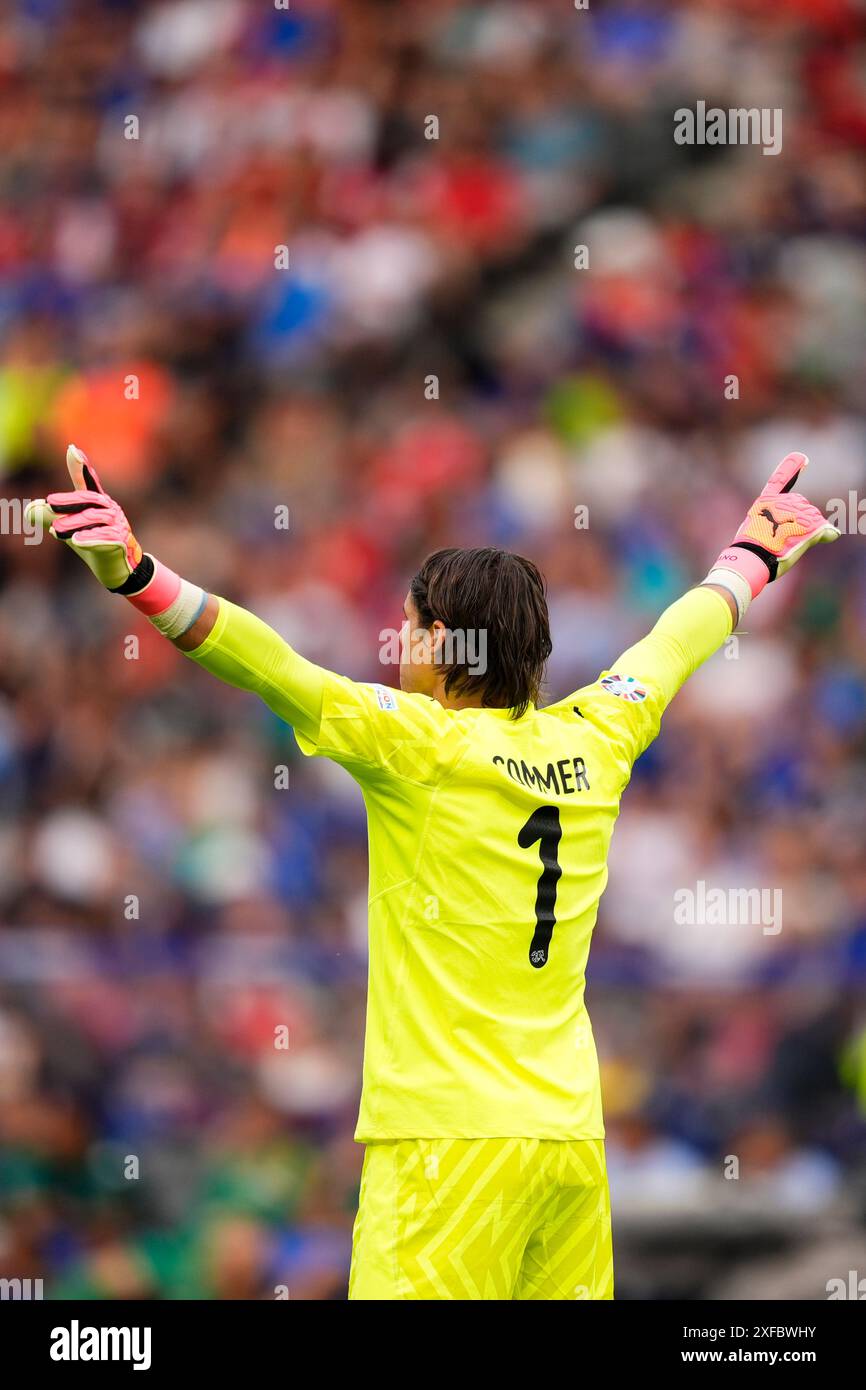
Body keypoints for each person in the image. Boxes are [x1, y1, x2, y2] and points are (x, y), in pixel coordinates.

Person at [26, 446, 839, 1300]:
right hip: (567, 1142)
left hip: (446, 1147)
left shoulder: (419, 745)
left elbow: (268, 664)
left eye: (408, 626)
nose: (399, 643)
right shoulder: (598, 734)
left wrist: (136, 573)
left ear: (445, 641)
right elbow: (674, 642)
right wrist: (750, 559)